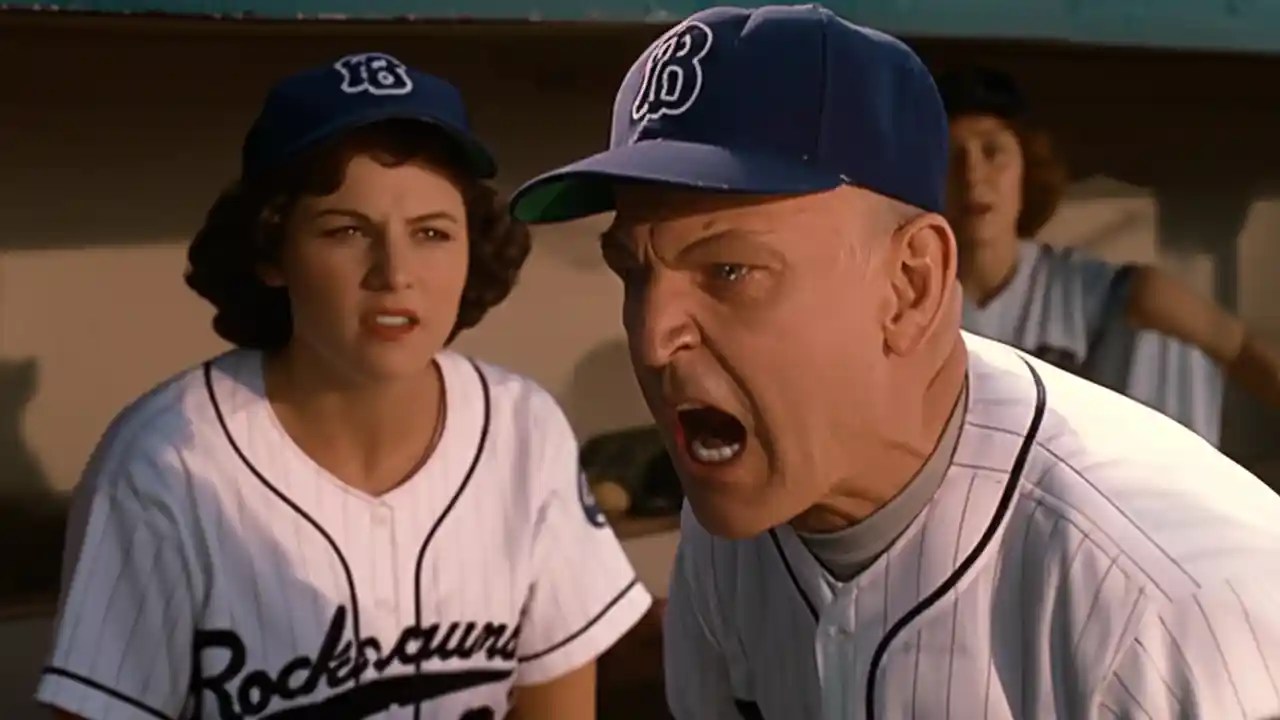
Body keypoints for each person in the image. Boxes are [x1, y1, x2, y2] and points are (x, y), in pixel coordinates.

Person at [509, 6, 1280, 719]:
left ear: (910, 286)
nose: (652, 338)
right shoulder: (733, 517)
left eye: (728, 270)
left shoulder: (1174, 600)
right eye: (633, 271)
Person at [35, 52, 651, 720]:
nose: (395, 272)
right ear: (272, 251)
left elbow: (557, 706)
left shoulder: (524, 429)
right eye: (348, 230)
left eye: (432, 233)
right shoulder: (167, 461)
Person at [937, 65, 1280, 444]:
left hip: (1114, 484)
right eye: (951, 155)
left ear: (1026, 168)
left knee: (1159, 328)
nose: (972, 175)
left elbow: (1241, 349)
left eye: (992, 151)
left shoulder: (1088, 291)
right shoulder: (914, 301)